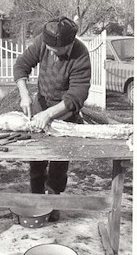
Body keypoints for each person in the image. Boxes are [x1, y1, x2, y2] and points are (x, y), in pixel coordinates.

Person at [13, 17, 91, 221]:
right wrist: (24, 94)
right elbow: (21, 64)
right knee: (37, 158)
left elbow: (77, 95)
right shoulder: (42, 42)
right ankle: (37, 198)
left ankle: (53, 200)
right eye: (50, 50)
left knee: (58, 162)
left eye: (58, 51)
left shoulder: (81, 54)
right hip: (41, 104)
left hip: (64, 113)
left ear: (70, 43)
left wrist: (48, 114)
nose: (53, 55)